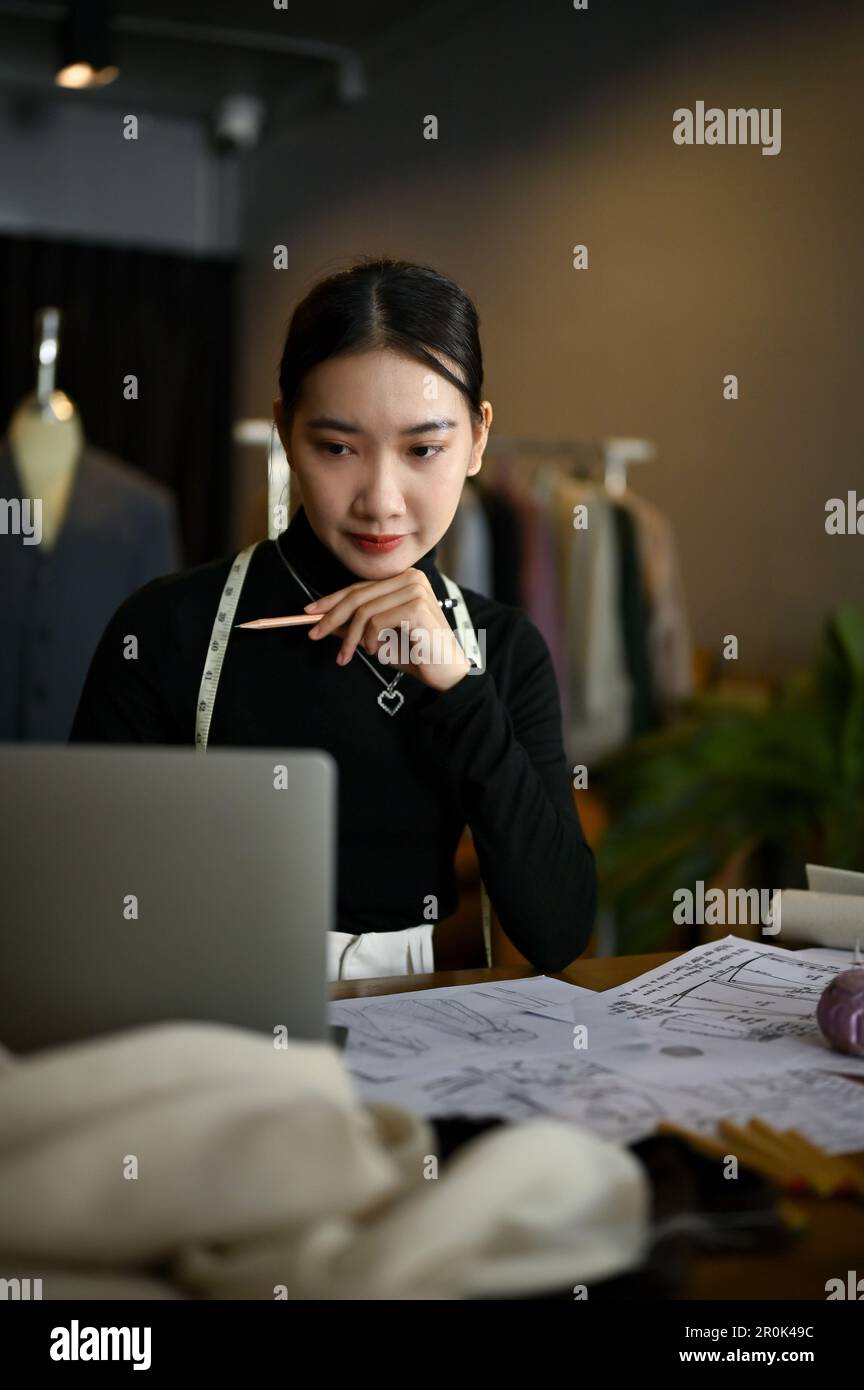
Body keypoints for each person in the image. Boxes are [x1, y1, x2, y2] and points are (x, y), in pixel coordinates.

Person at [69, 256, 596, 978]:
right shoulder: (164, 629)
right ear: (286, 432)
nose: (381, 499)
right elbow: (82, 899)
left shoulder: (501, 649)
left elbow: (558, 930)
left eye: (423, 449)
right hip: (211, 1014)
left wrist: (462, 687)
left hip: (422, 1024)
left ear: (477, 438)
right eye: (338, 447)